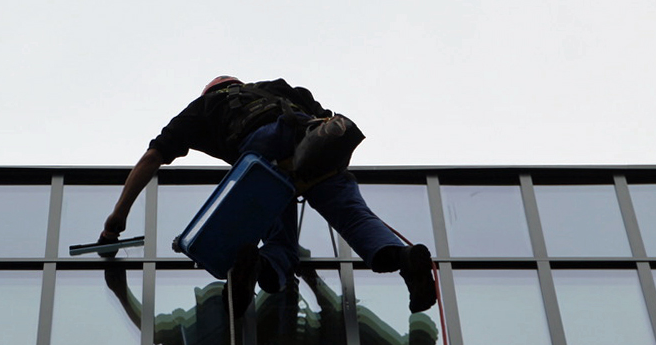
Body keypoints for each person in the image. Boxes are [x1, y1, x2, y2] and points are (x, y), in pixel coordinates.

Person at [102, 76, 436, 316]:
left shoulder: (204, 107)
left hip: (264, 153)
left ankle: (256, 266)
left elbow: (152, 157)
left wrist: (117, 218)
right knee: (354, 217)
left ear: (211, 90)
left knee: (281, 243)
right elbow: (326, 120)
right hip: (310, 142)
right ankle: (405, 259)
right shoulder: (277, 87)